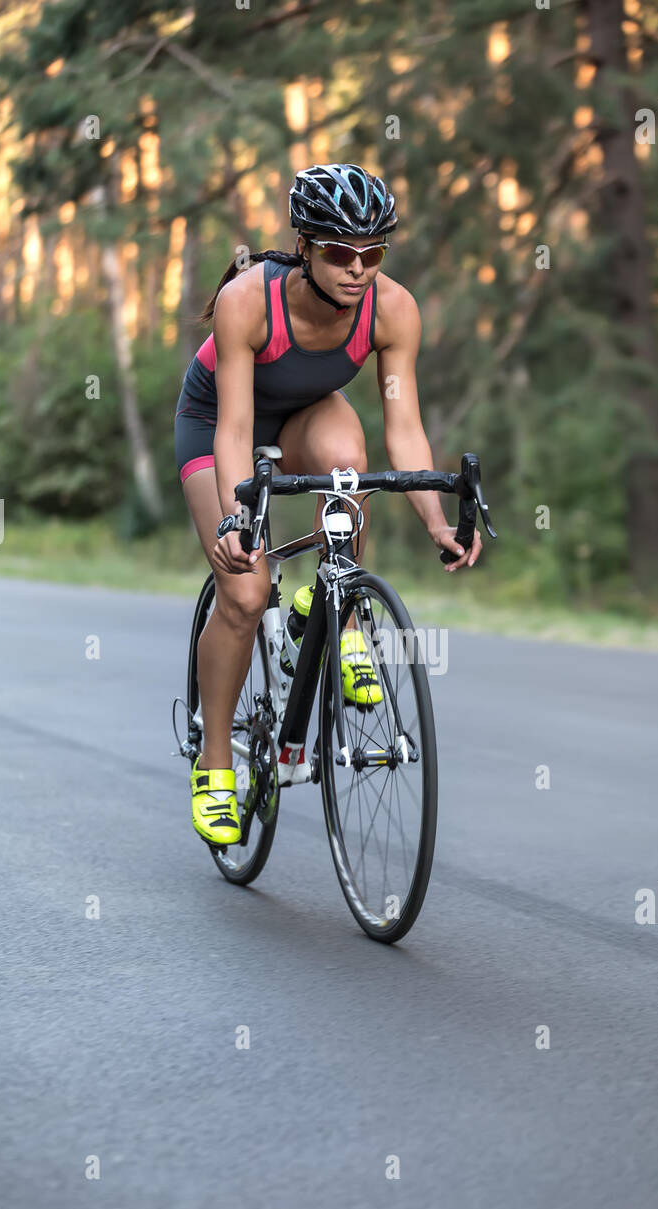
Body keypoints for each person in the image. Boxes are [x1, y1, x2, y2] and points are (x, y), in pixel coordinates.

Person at [174, 162, 481, 845]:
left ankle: (331, 608)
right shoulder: (249, 302)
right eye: (341, 252)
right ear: (305, 247)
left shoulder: (394, 309)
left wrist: (436, 518)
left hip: (304, 414)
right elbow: (232, 430)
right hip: (220, 424)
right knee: (247, 594)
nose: (358, 269)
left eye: (373, 254)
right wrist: (236, 522)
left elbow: (403, 427)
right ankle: (215, 761)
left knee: (349, 462)